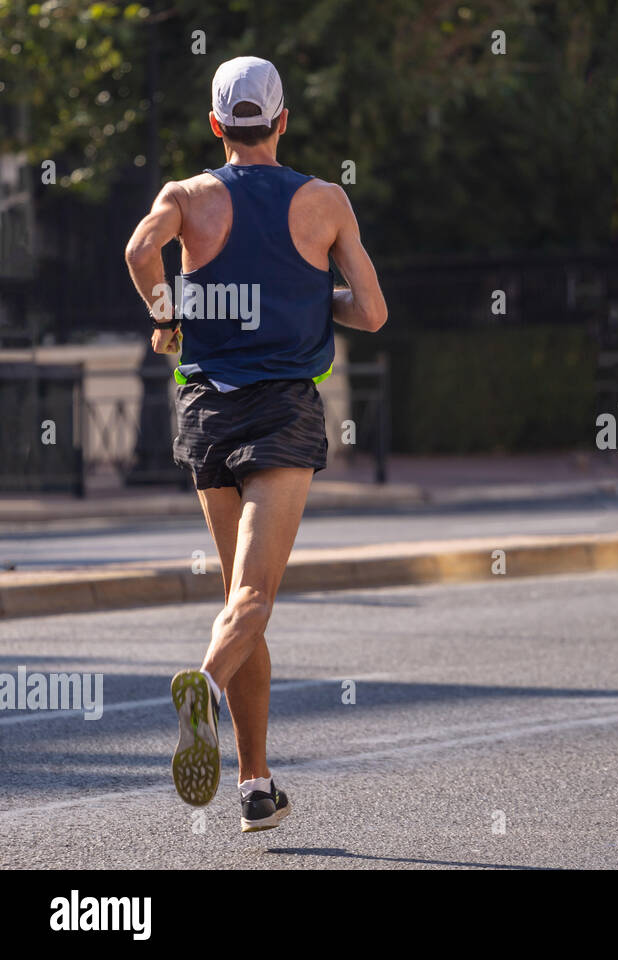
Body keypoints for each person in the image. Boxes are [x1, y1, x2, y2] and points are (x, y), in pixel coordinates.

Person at [124, 56, 387, 832]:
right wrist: (313, 291)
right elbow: (371, 312)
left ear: (215, 126)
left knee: (242, 603)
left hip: (205, 407)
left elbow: (141, 253)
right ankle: (202, 688)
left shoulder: (187, 197)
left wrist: (166, 312)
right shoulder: (324, 201)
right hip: (282, 416)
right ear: (281, 121)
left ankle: (255, 785)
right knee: (255, 598)